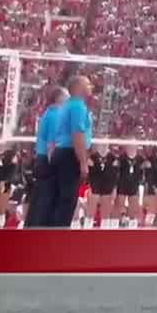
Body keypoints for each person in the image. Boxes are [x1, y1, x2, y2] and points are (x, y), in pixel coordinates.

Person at [49, 75, 94, 228]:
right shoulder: (77, 106)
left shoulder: (67, 105)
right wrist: (83, 162)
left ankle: (54, 232)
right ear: (78, 87)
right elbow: (77, 134)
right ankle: (59, 233)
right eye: (87, 84)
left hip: (62, 153)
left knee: (61, 198)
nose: (90, 87)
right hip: (69, 154)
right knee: (67, 199)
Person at [24, 86, 67, 228]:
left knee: (40, 197)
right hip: (48, 161)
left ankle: (33, 227)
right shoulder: (56, 115)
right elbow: (52, 144)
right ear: (60, 98)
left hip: (43, 160)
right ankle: (38, 229)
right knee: (45, 199)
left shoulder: (49, 113)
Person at [115, 145, 144, 228]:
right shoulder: (121, 158)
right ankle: (121, 221)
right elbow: (117, 172)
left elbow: (142, 173)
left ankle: (131, 222)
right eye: (129, 147)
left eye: (133, 147)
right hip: (122, 184)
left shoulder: (140, 159)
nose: (131, 148)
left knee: (133, 205)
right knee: (120, 204)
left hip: (134, 184)